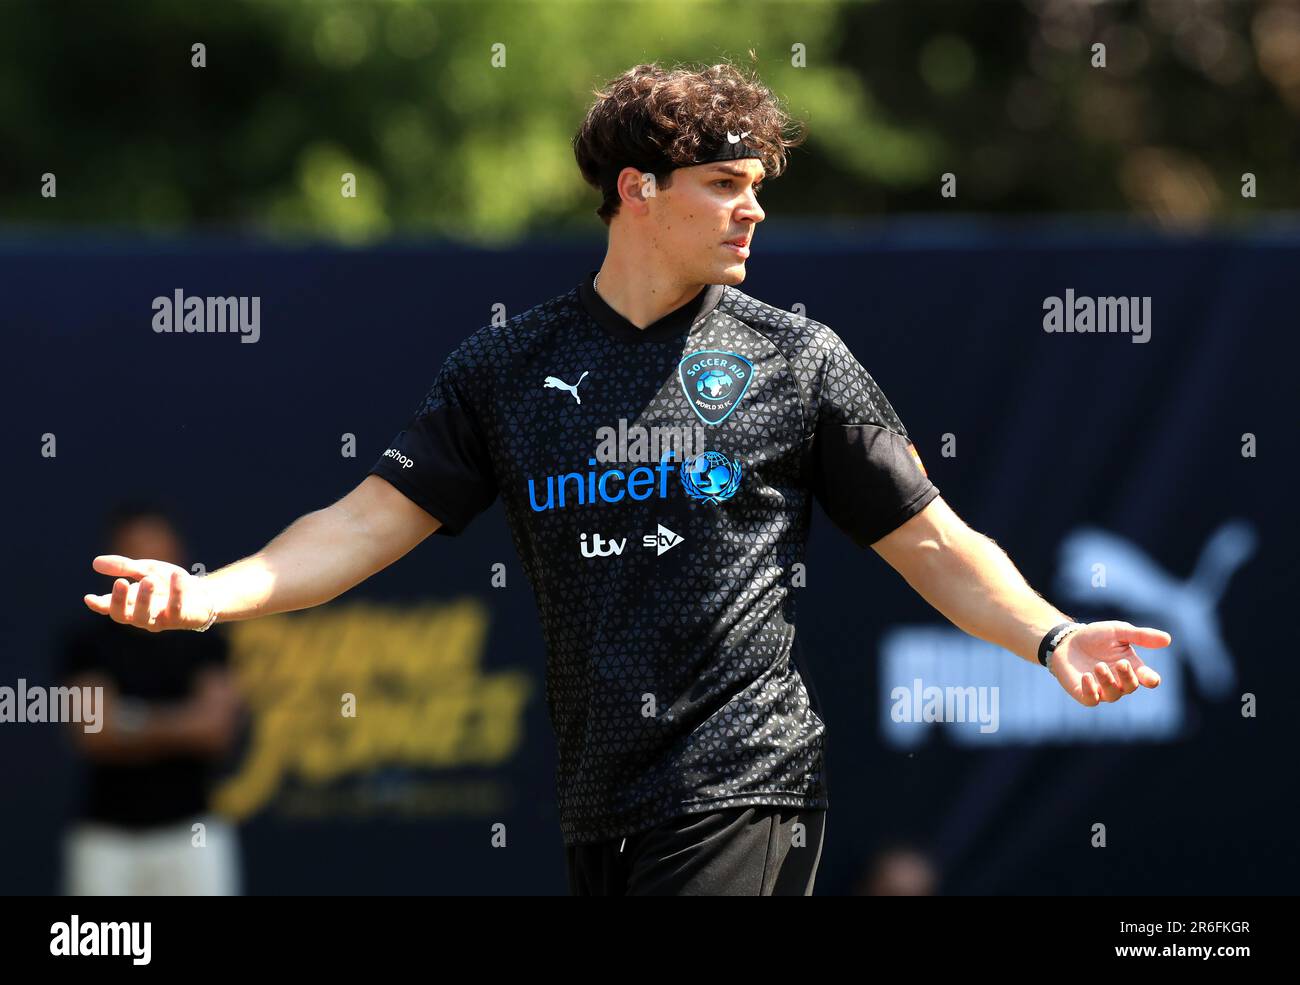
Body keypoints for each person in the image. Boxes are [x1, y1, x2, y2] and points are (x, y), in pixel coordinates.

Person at [82, 61, 1171, 896]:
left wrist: (1053, 634)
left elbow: (933, 538)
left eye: (757, 187)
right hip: (599, 805)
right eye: (724, 185)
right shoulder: (506, 366)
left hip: (748, 782)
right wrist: (209, 592)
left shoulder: (796, 358)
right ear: (636, 189)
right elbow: (361, 525)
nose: (752, 209)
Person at [63, 502, 243, 895]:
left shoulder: (206, 639)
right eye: (134, 557)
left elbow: (214, 730)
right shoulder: (86, 642)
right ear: (114, 565)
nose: (147, 571)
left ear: (177, 555)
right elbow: (94, 733)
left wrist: (131, 721)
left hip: (192, 834)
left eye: (156, 553)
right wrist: (181, 723)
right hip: (106, 840)